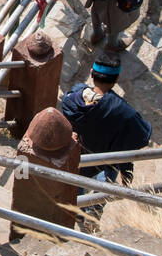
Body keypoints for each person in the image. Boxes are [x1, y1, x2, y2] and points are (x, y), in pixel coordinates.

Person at [59, 57, 152, 219]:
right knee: (106, 180)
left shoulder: (73, 98)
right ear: (116, 79)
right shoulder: (124, 112)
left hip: (82, 151)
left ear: (91, 73)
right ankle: (94, 211)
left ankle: (77, 211)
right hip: (109, 156)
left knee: (77, 179)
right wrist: (126, 171)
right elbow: (134, 139)